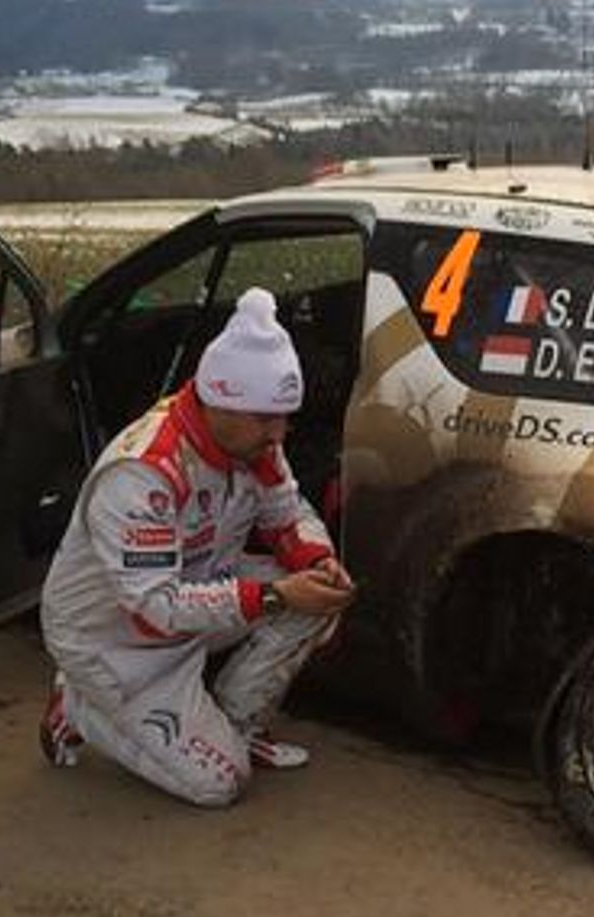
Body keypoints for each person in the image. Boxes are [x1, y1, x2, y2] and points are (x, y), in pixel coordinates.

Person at [37, 287, 356, 807]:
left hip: (194, 595)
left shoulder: (253, 442)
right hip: (115, 639)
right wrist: (275, 594)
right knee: (220, 786)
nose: (280, 433)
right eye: (265, 419)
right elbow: (155, 609)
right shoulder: (143, 471)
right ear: (218, 402)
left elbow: (288, 513)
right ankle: (78, 703)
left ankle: (233, 729)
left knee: (315, 599)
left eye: (284, 417)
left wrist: (317, 561)